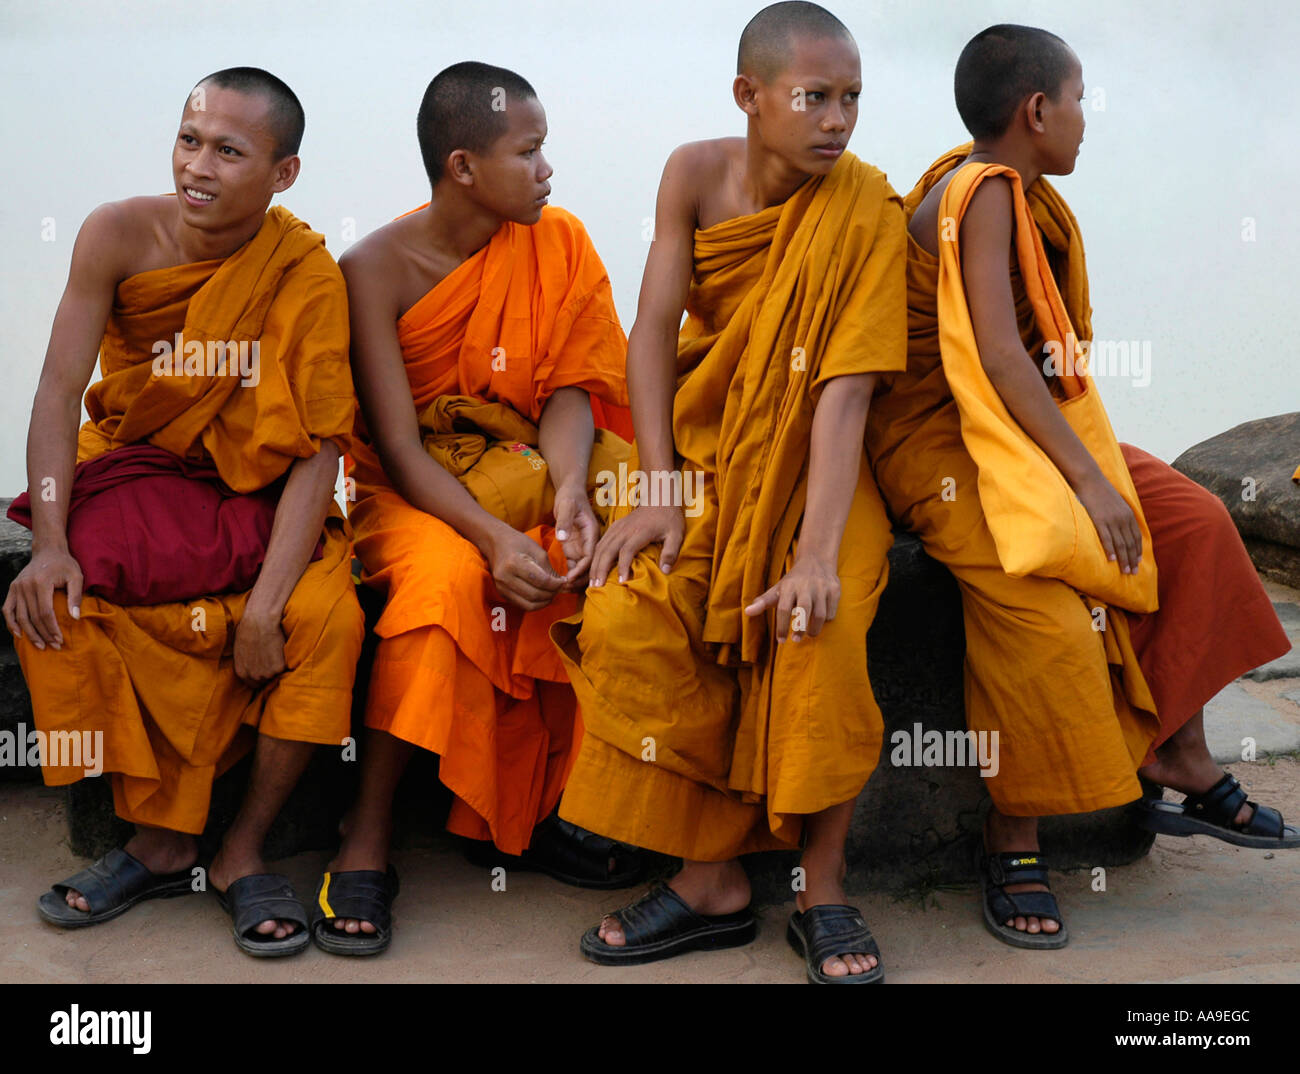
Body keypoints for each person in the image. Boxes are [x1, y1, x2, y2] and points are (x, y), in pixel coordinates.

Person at [866, 24, 1295, 949]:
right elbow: (997, 355)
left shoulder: (1022, 193)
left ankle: (1179, 750)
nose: (1085, 123)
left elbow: (1036, 367)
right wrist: (1089, 484)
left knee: (1193, 517)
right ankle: (1011, 835)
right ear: (1036, 110)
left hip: (1014, 424)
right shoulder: (976, 193)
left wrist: (1095, 469)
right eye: (1079, 101)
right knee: (1037, 601)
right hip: (942, 440)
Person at [553, 2, 906, 984]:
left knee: (817, 632)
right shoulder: (694, 173)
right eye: (814, 98)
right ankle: (707, 878)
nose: (837, 120)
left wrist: (811, 557)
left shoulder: (865, 209)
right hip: (701, 455)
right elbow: (653, 330)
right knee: (632, 608)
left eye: (850, 99)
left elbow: (842, 398)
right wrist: (659, 485)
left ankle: (822, 887)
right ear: (749, 96)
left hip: (821, 475)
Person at [3, 67, 364, 957]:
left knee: (330, 621)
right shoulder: (117, 233)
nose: (197, 166)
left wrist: (270, 608)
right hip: (138, 473)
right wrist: (47, 544)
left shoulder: (303, 270)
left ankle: (240, 851)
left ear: (283, 174)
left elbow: (319, 448)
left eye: (230, 151)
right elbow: (57, 390)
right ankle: (162, 841)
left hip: (255, 497)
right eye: (188, 139)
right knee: (61, 599)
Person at [318, 61, 638, 955]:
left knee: (619, 547)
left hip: (536, 465)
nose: (548, 171)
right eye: (528, 152)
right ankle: (368, 836)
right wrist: (494, 537)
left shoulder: (558, 241)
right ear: (463, 167)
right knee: (446, 586)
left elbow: (572, 388)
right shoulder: (373, 269)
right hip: (418, 495)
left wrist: (572, 490)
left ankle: (543, 814)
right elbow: (397, 448)